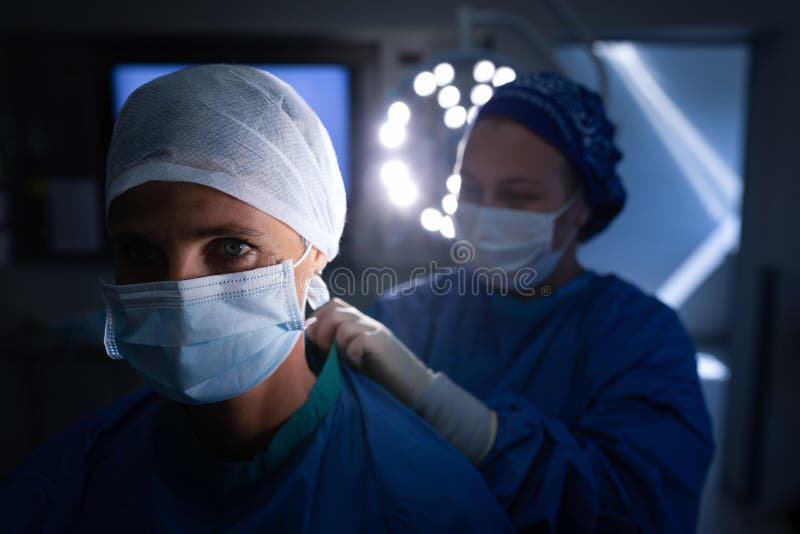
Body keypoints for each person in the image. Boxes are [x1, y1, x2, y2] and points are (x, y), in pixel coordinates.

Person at [0, 65, 513, 532]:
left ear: (314, 252)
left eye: (232, 247)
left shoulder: (425, 502)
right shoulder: (66, 488)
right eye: (140, 250)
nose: (180, 288)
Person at [306, 72, 714, 533]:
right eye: (471, 191)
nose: (487, 212)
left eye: (518, 197)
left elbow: (637, 510)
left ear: (582, 205)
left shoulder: (641, 339)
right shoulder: (406, 313)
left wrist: (447, 410)